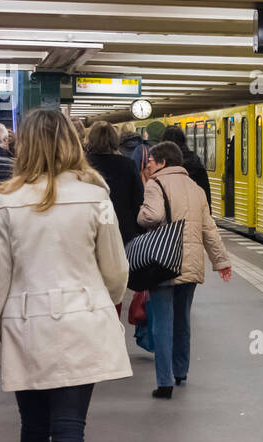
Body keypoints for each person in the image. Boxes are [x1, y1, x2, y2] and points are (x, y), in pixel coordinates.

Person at [0, 108, 131, 442]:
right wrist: (100, 301)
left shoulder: (7, 201)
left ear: (22, 145)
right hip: (82, 325)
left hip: (27, 328)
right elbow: (115, 271)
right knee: (69, 428)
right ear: (72, 142)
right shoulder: (95, 195)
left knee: (33, 425)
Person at [138, 141, 232, 398]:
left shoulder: (155, 185)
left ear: (163, 162)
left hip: (163, 262)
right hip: (189, 263)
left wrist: (140, 213)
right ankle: (181, 371)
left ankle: (164, 382)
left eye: (151, 162)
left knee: (162, 323)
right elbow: (208, 228)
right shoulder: (195, 188)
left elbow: (152, 216)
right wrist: (221, 261)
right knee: (182, 321)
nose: (148, 166)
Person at [84, 121, 144, 244]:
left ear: (90, 139)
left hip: (91, 227)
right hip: (123, 228)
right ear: (114, 139)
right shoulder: (128, 164)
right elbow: (138, 199)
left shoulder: (84, 165)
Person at [162, 124, 212, 213]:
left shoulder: (163, 162)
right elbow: (204, 189)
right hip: (193, 211)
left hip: (172, 212)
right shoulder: (194, 160)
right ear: (184, 139)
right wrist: (207, 212)